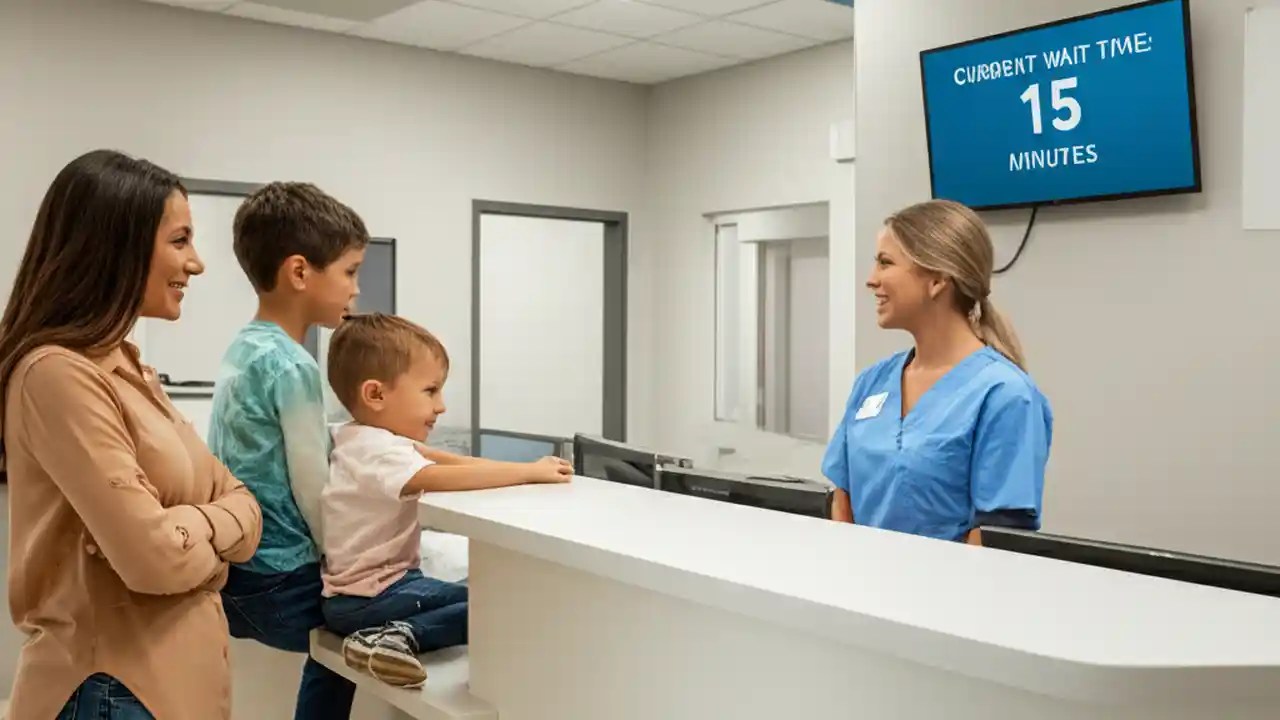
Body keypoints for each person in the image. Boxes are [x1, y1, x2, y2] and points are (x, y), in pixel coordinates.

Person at [0, 149, 263, 719]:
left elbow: (245, 502)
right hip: (112, 693)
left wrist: (192, 527)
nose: (196, 264)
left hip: (168, 689)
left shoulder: (128, 366)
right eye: (180, 240)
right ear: (116, 245)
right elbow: (154, 561)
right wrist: (213, 534)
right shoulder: (58, 375)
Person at [319, 313, 571, 686]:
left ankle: (389, 636)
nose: (441, 406)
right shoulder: (379, 452)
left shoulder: (358, 436)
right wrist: (527, 474)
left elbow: (451, 461)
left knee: (478, 597)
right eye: (430, 391)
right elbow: (441, 476)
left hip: (353, 598)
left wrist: (529, 467)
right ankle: (397, 637)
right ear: (376, 395)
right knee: (494, 609)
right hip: (374, 596)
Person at [206, 182, 366, 718]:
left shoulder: (243, 347)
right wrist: (349, 564)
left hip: (236, 577)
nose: (356, 289)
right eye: (350, 271)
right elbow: (313, 488)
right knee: (409, 606)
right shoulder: (293, 365)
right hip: (282, 585)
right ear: (300, 272)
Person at [822, 199, 1052, 544]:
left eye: (885, 263)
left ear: (937, 280)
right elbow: (843, 496)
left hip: (953, 580)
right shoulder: (872, 382)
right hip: (860, 576)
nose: (871, 280)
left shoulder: (1005, 395)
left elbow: (996, 538)